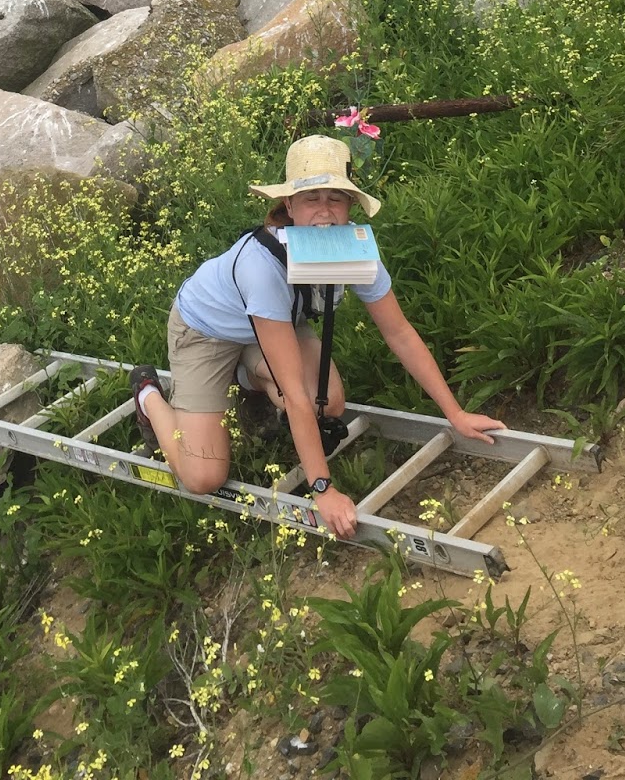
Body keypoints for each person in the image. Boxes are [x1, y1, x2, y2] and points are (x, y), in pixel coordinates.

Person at [129, 135, 504, 539]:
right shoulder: (262, 266)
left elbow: (400, 333)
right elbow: (292, 391)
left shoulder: (356, 251)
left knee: (330, 402)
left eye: (336, 198)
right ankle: (148, 394)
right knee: (203, 475)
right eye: (311, 199)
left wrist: (455, 413)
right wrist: (322, 488)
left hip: (273, 325)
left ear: (350, 206)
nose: (324, 211)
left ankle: (246, 380)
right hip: (206, 331)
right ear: (288, 205)